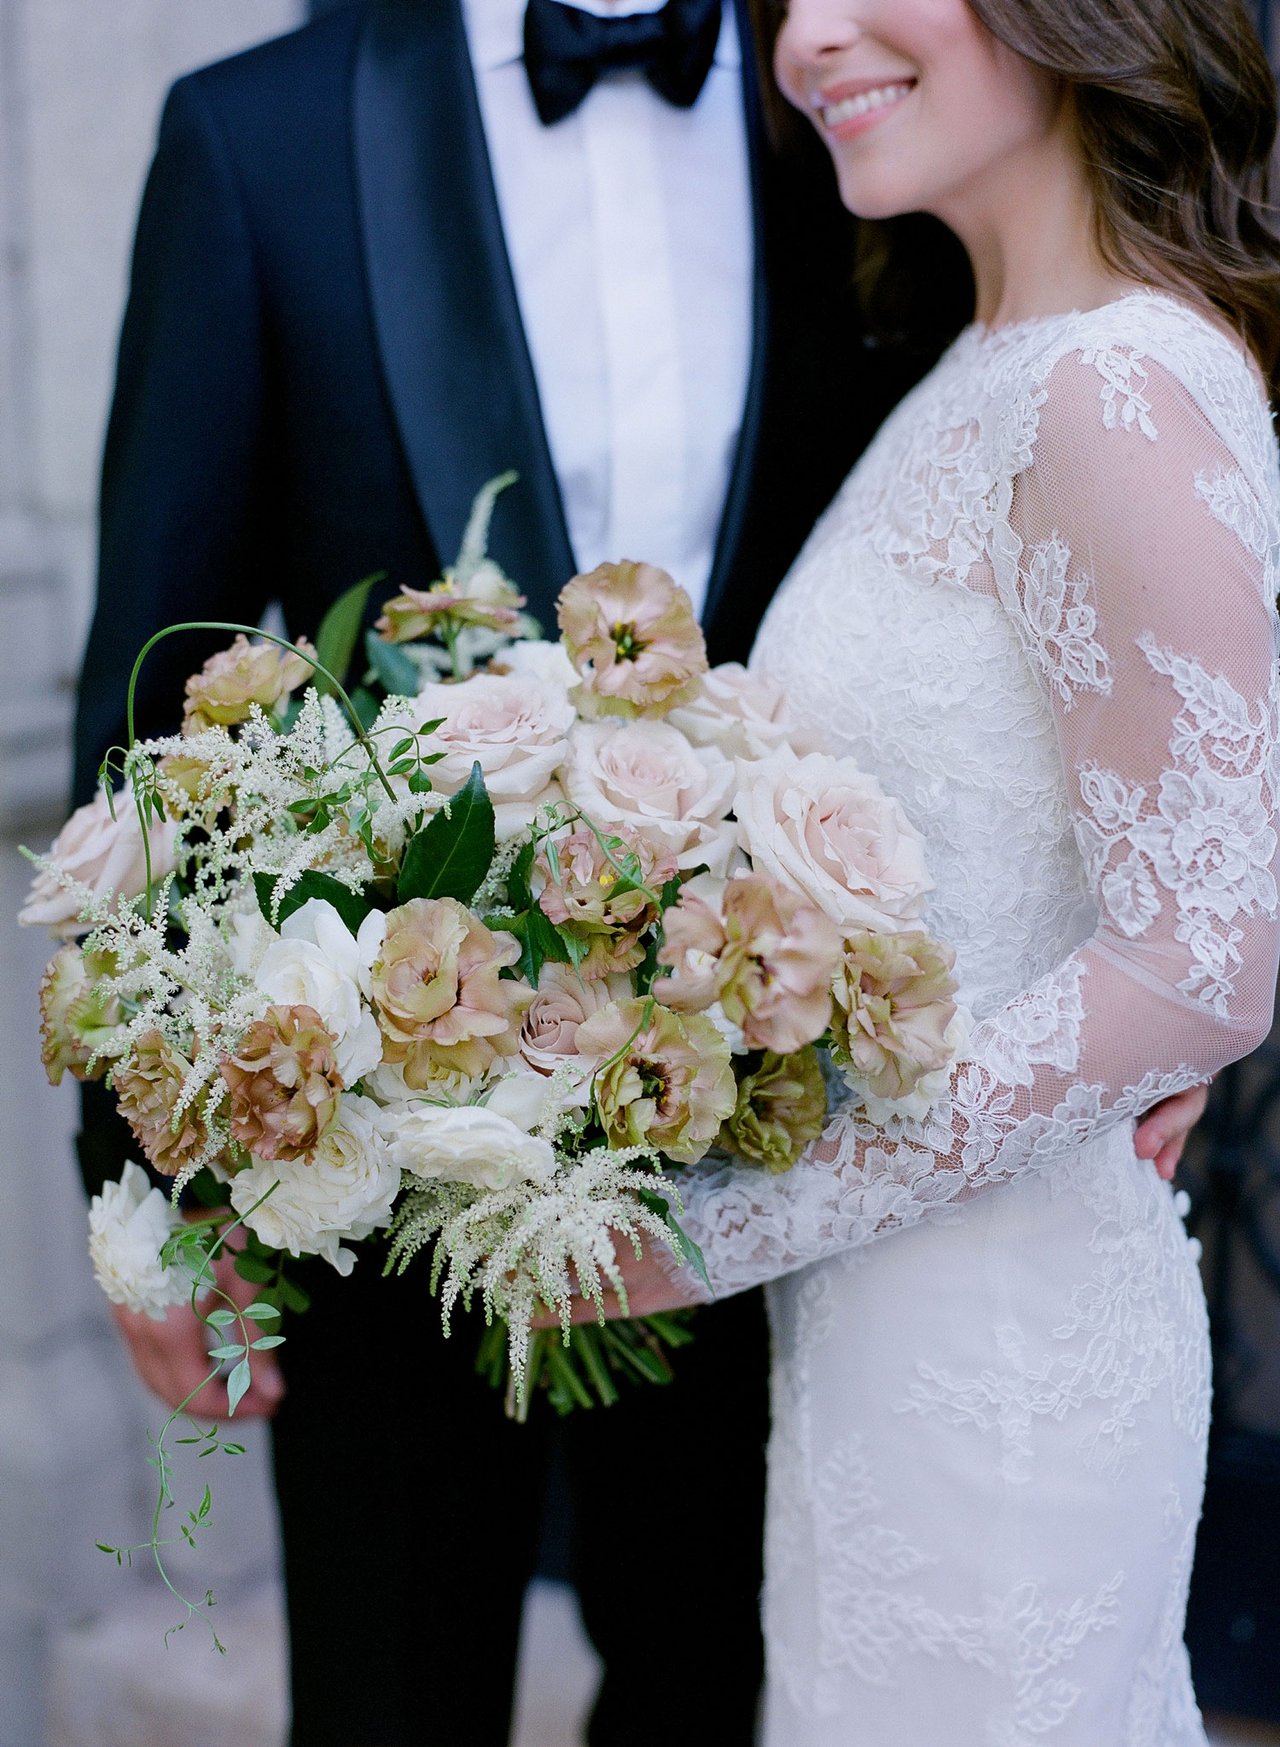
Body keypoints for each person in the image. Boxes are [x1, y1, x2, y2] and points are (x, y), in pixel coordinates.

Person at [71, 0, 1207, 1741]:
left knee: (724, 1686)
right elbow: (153, 693)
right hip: (385, 1182)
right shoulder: (256, 139)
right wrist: (155, 1188)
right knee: (391, 1701)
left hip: (789, 1132)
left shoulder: (865, 108)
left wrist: (1154, 988)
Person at [578, 0, 1280, 1741]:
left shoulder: (1113, 386)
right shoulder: (981, 359)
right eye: (781, 1)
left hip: (1013, 1364)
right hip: (888, 1341)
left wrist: (714, 1223)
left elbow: (1205, 956)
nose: (805, 40)